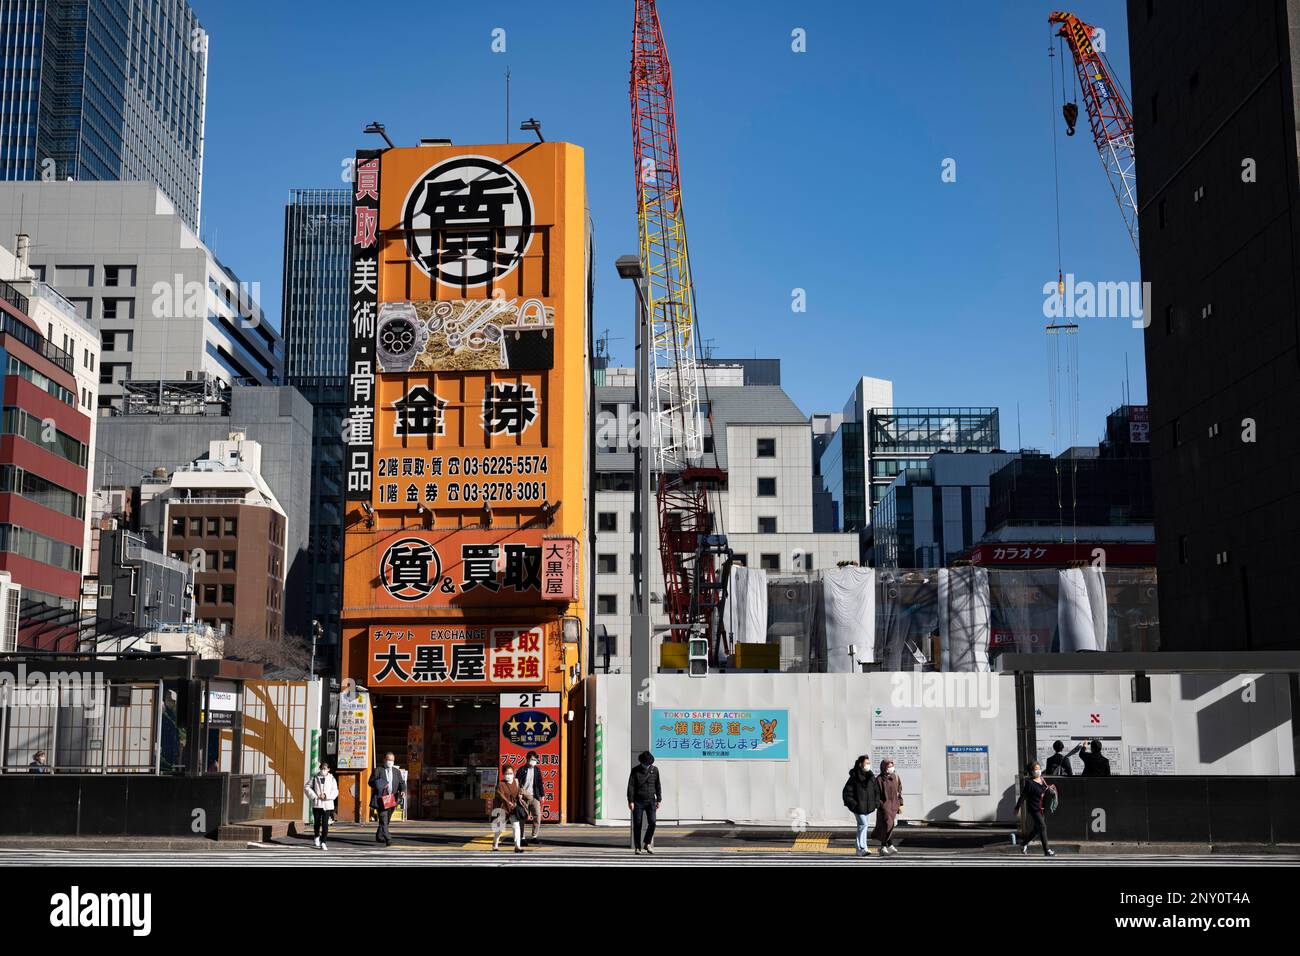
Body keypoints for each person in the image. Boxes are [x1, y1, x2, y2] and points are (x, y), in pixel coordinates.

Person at [1014, 761, 1057, 857]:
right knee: (1042, 826)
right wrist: (1017, 807)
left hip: (1042, 808)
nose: (1038, 770)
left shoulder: (1042, 780)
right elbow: (1023, 796)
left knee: (1037, 830)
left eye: (1039, 768)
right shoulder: (1029, 783)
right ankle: (1047, 850)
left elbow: (1045, 791)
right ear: (1031, 771)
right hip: (1034, 809)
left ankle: (1023, 844)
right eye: (1035, 769)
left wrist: (1051, 791)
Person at [841, 754, 879, 858]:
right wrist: (854, 804)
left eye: (869, 763)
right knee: (864, 825)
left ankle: (859, 849)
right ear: (860, 764)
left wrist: (876, 803)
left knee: (861, 827)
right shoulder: (854, 777)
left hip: (868, 807)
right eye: (866, 763)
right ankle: (862, 848)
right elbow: (846, 793)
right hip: (858, 807)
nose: (868, 765)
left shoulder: (871, 776)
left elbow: (876, 791)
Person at [626, 751, 661, 855]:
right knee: (637, 824)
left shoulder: (655, 770)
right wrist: (630, 801)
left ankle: (647, 843)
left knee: (653, 822)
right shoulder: (635, 770)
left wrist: (659, 799)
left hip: (651, 800)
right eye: (645, 763)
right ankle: (637, 847)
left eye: (649, 763)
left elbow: (658, 785)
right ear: (641, 762)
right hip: (638, 801)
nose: (647, 765)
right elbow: (631, 787)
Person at [368, 752, 406, 847]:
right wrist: (380, 783)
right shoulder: (378, 770)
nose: (390, 762)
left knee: (386, 819)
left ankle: (379, 835)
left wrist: (402, 790)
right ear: (384, 760)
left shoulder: (396, 771)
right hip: (381, 799)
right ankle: (388, 838)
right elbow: (370, 782)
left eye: (392, 760)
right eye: (389, 760)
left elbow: (401, 783)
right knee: (384, 819)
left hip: (392, 799)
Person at [304, 760, 339, 851]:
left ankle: (323, 842)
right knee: (317, 822)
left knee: (325, 824)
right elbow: (307, 787)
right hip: (317, 804)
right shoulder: (315, 777)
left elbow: (335, 791)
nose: (323, 770)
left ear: (328, 769)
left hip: (327, 804)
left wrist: (327, 796)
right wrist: (315, 796)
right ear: (319, 769)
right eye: (322, 768)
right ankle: (316, 836)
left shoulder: (332, 779)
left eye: (325, 769)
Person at [872, 758, 904, 854]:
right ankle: (883, 846)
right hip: (885, 806)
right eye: (888, 766)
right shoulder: (879, 779)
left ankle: (889, 845)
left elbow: (899, 791)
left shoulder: (896, 777)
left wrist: (900, 803)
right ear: (884, 767)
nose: (891, 768)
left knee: (891, 825)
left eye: (891, 766)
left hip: (894, 805)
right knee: (887, 825)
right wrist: (881, 805)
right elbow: (876, 794)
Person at [492, 764, 526, 853]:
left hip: (514, 809)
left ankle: (517, 846)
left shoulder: (516, 782)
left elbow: (519, 791)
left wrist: (520, 794)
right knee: (499, 829)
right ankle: (495, 844)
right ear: (503, 774)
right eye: (507, 773)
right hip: (503, 809)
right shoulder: (501, 784)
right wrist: (508, 802)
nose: (509, 775)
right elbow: (501, 796)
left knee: (516, 827)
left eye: (511, 773)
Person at [516, 751, 545, 845]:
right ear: (527, 759)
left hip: (534, 796)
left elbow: (540, 783)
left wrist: (542, 795)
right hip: (523, 796)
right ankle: (522, 838)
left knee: (537, 816)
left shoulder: (537, 770)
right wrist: (518, 793)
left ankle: (534, 836)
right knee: (522, 817)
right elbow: (517, 782)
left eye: (535, 759)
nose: (534, 761)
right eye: (532, 759)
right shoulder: (522, 769)